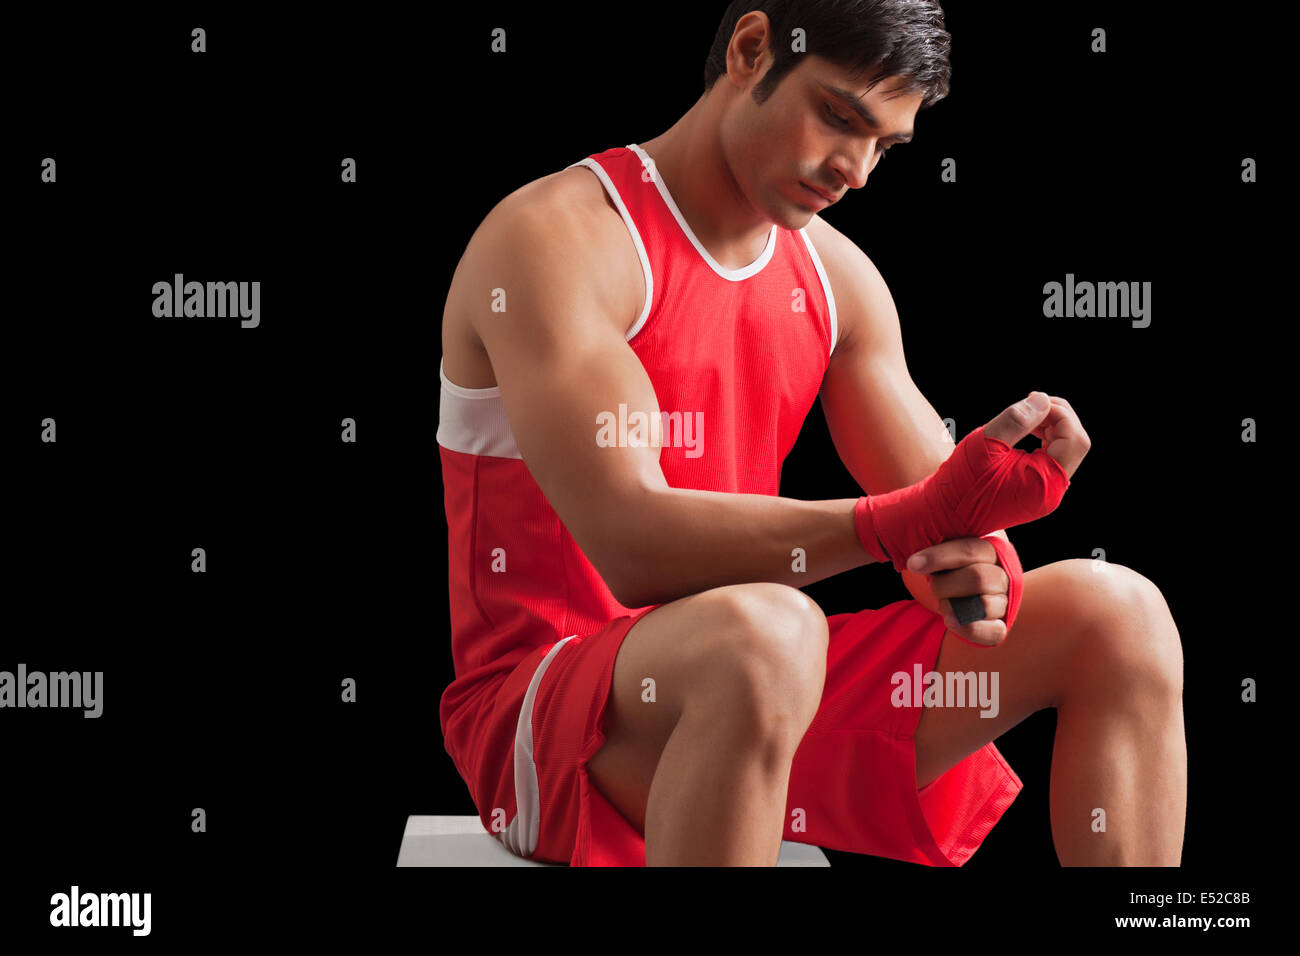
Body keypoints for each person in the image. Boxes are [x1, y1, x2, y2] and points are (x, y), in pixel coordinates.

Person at [436, 0, 1186, 866]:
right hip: (551, 719)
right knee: (768, 631)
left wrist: (985, 544)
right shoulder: (557, 240)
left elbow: (951, 539)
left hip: (756, 696)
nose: (857, 170)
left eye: (884, 146)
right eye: (839, 117)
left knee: (1117, 610)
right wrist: (896, 527)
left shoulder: (838, 280)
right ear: (753, 51)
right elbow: (628, 545)